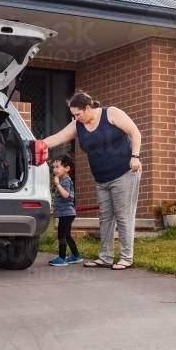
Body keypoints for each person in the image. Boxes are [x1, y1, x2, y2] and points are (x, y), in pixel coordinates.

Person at [42, 91, 141, 270]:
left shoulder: (111, 113)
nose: (76, 118)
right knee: (105, 217)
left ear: (88, 108)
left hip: (124, 172)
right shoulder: (78, 125)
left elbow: (135, 132)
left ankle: (126, 257)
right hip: (102, 178)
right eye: (73, 115)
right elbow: (58, 137)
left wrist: (135, 156)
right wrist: (38, 144)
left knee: (123, 216)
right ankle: (105, 257)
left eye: (78, 114)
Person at [47, 154, 82, 266]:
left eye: (58, 167)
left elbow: (66, 195)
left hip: (67, 213)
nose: (55, 169)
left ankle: (62, 258)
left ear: (67, 169)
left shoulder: (66, 181)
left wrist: (58, 185)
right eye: (54, 167)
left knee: (61, 236)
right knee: (67, 236)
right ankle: (76, 256)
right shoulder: (63, 180)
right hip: (66, 213)